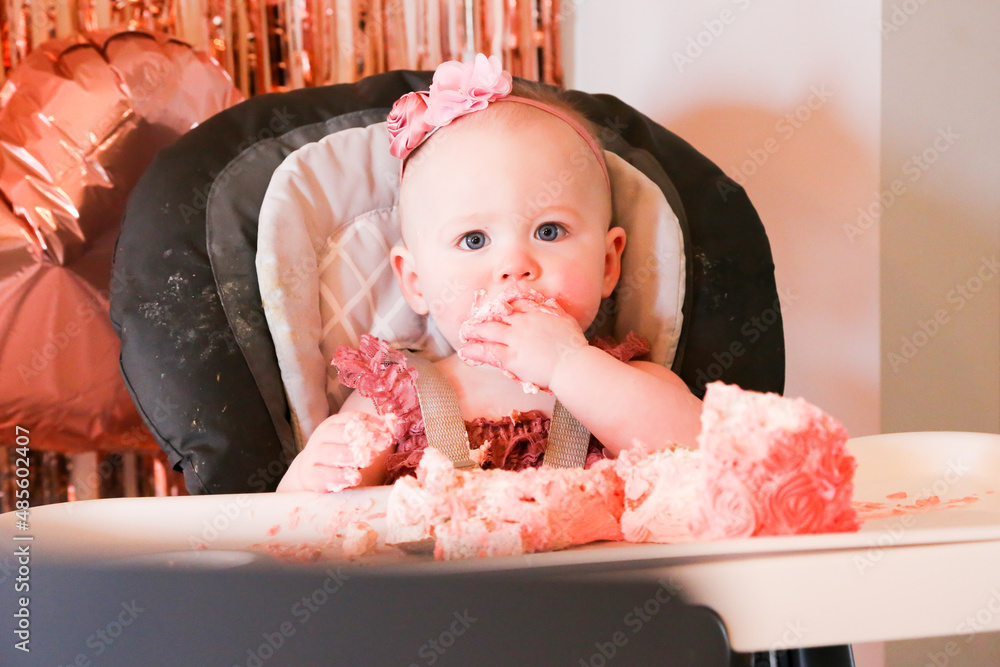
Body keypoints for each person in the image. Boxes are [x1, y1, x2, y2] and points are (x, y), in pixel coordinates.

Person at [277, 54, 702, 493]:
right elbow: (305, 527)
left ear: (609, 264)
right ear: (416, 283)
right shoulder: (392, 400)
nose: (515, 265)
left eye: (549, 231)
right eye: (474, 240)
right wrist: (317, 474)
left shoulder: (636, 386)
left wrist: (569, 366)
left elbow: (713, 465)